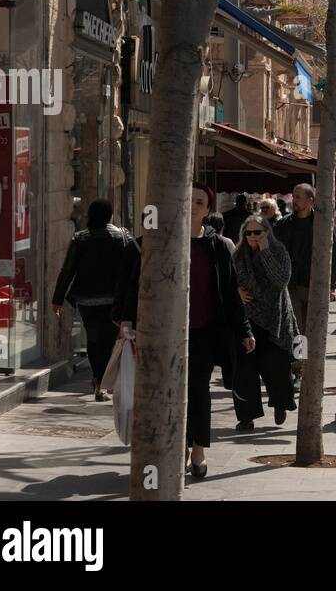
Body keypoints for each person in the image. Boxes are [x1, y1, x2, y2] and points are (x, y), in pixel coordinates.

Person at [113, 183, 255, 478]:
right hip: (162, 333)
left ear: (208, 210)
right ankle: (175, 448)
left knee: (199, 391)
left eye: (200, 202)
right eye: (188, 199)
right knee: (167, 392)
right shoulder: (158, 240)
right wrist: (127, 320)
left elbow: (229, 292)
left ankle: (199, 449)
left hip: (203, 332)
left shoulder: (216, 246)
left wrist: (244, 329)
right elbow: (137, 284)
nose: (193, 205)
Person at [52, 199, 130, 402]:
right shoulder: (122, 236)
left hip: (87, 301)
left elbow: (67, 271)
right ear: (110, 215)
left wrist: (57, 299)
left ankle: (98, 380)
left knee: (94, 340)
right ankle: (103, 383)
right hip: (114, 299)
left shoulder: (80, 238)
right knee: (110, 340)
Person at [232, 214, 299, 430]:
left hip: (275, 319)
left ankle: (280, 403)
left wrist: (265, 252)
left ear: (267, 232)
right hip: (246, 318)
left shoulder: (278, 251)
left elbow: (280, 280)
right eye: (248, 233)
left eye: (257, 232)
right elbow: (225, 280)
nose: (252, 236)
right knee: (244, 370)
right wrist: (236, 293)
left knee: (277, 366)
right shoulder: (238, 255)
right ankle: (246, 416)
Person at [273, 183, 336, 388]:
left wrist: (332, 285)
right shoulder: (282, 225)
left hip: (314, 285)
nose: (295, 201)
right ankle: (299, 370)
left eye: (299, 197)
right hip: (290, 285)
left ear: (311, 201)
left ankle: (309, 369)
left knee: (312, 331)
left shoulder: (322, 225)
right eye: (294, 196)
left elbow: (333, 256)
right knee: (297, 331)